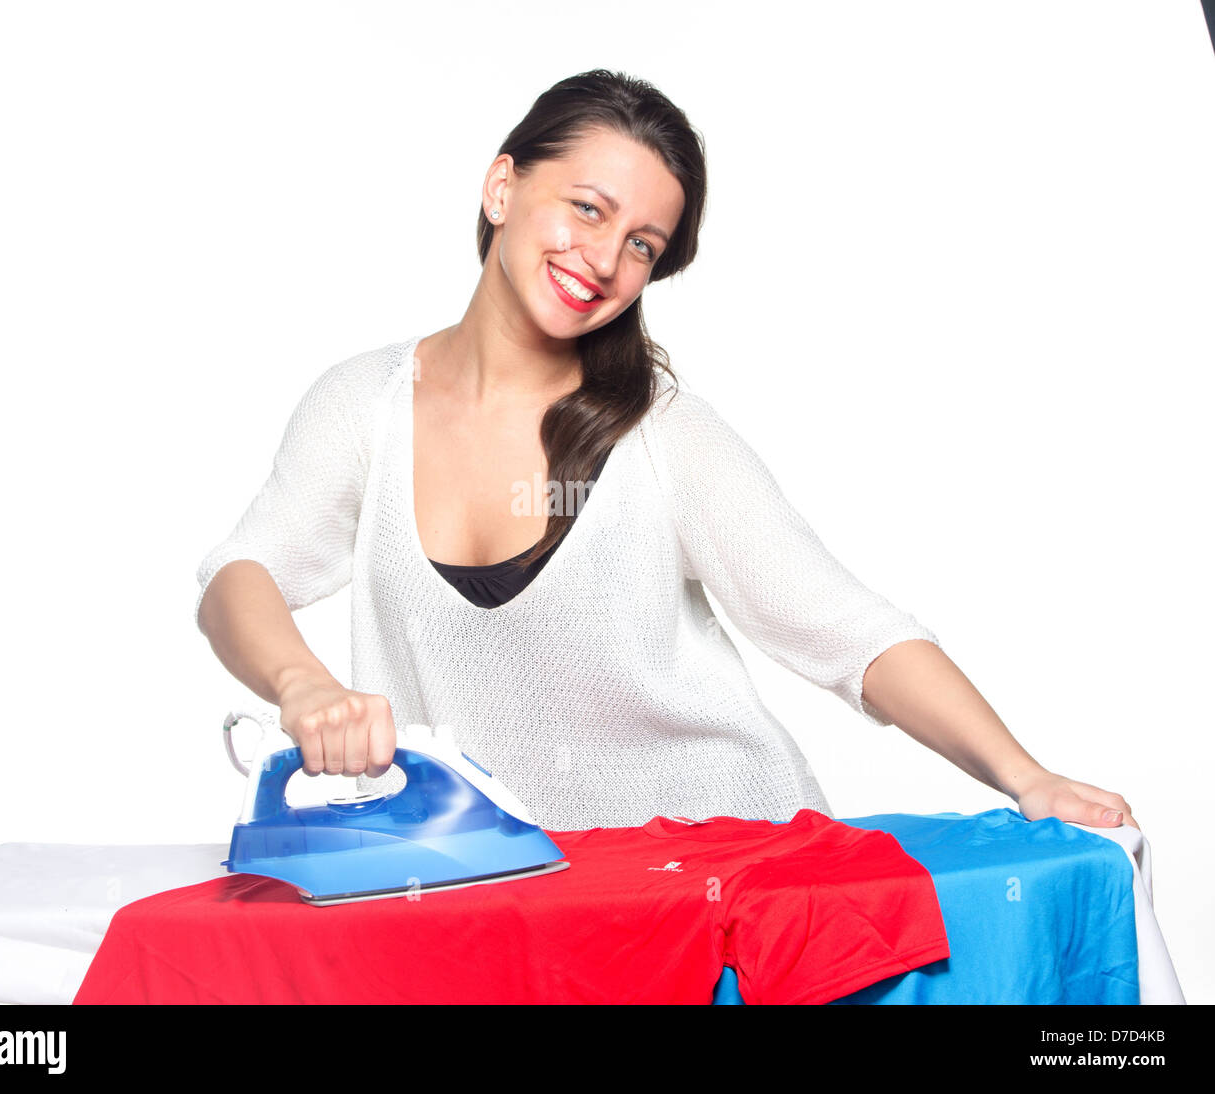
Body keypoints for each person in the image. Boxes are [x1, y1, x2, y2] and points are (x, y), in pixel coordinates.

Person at [195, 69, 1137, 833]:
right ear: (502, 186)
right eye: (588, 208)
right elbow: (241, 573)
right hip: (491, 902)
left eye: (642, 243)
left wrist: (1027, 777)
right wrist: (303, 684)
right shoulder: (364, 406)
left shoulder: (662, 437)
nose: (604, 261)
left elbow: (850, 630)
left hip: (717, 898)